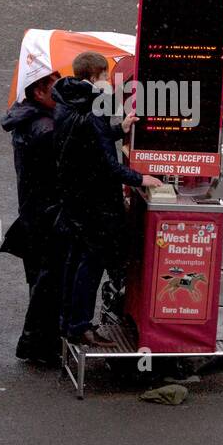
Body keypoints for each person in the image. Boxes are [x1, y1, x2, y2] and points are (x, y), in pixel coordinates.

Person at [51, 52, 162, 348]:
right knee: (91, 263)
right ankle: (81, 326)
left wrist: (118, 128)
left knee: (76, 261)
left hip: (75, 200)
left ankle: (68, 322)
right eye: (104, 77)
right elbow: (107, 165)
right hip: (95, 204)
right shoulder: (93, 110)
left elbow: (87, 139)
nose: (107, 83)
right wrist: (141, 179)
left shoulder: (66, 102)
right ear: (93, 78)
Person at [0, 71, 61, 363]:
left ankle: (41, 343)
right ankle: (40, 345)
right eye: (55, 88)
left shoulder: (25, 120)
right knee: (48, 283)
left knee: (40, 281)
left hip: (33, 214)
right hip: (48, 216)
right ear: (38, 93)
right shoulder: (46, 130)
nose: (60, 92)